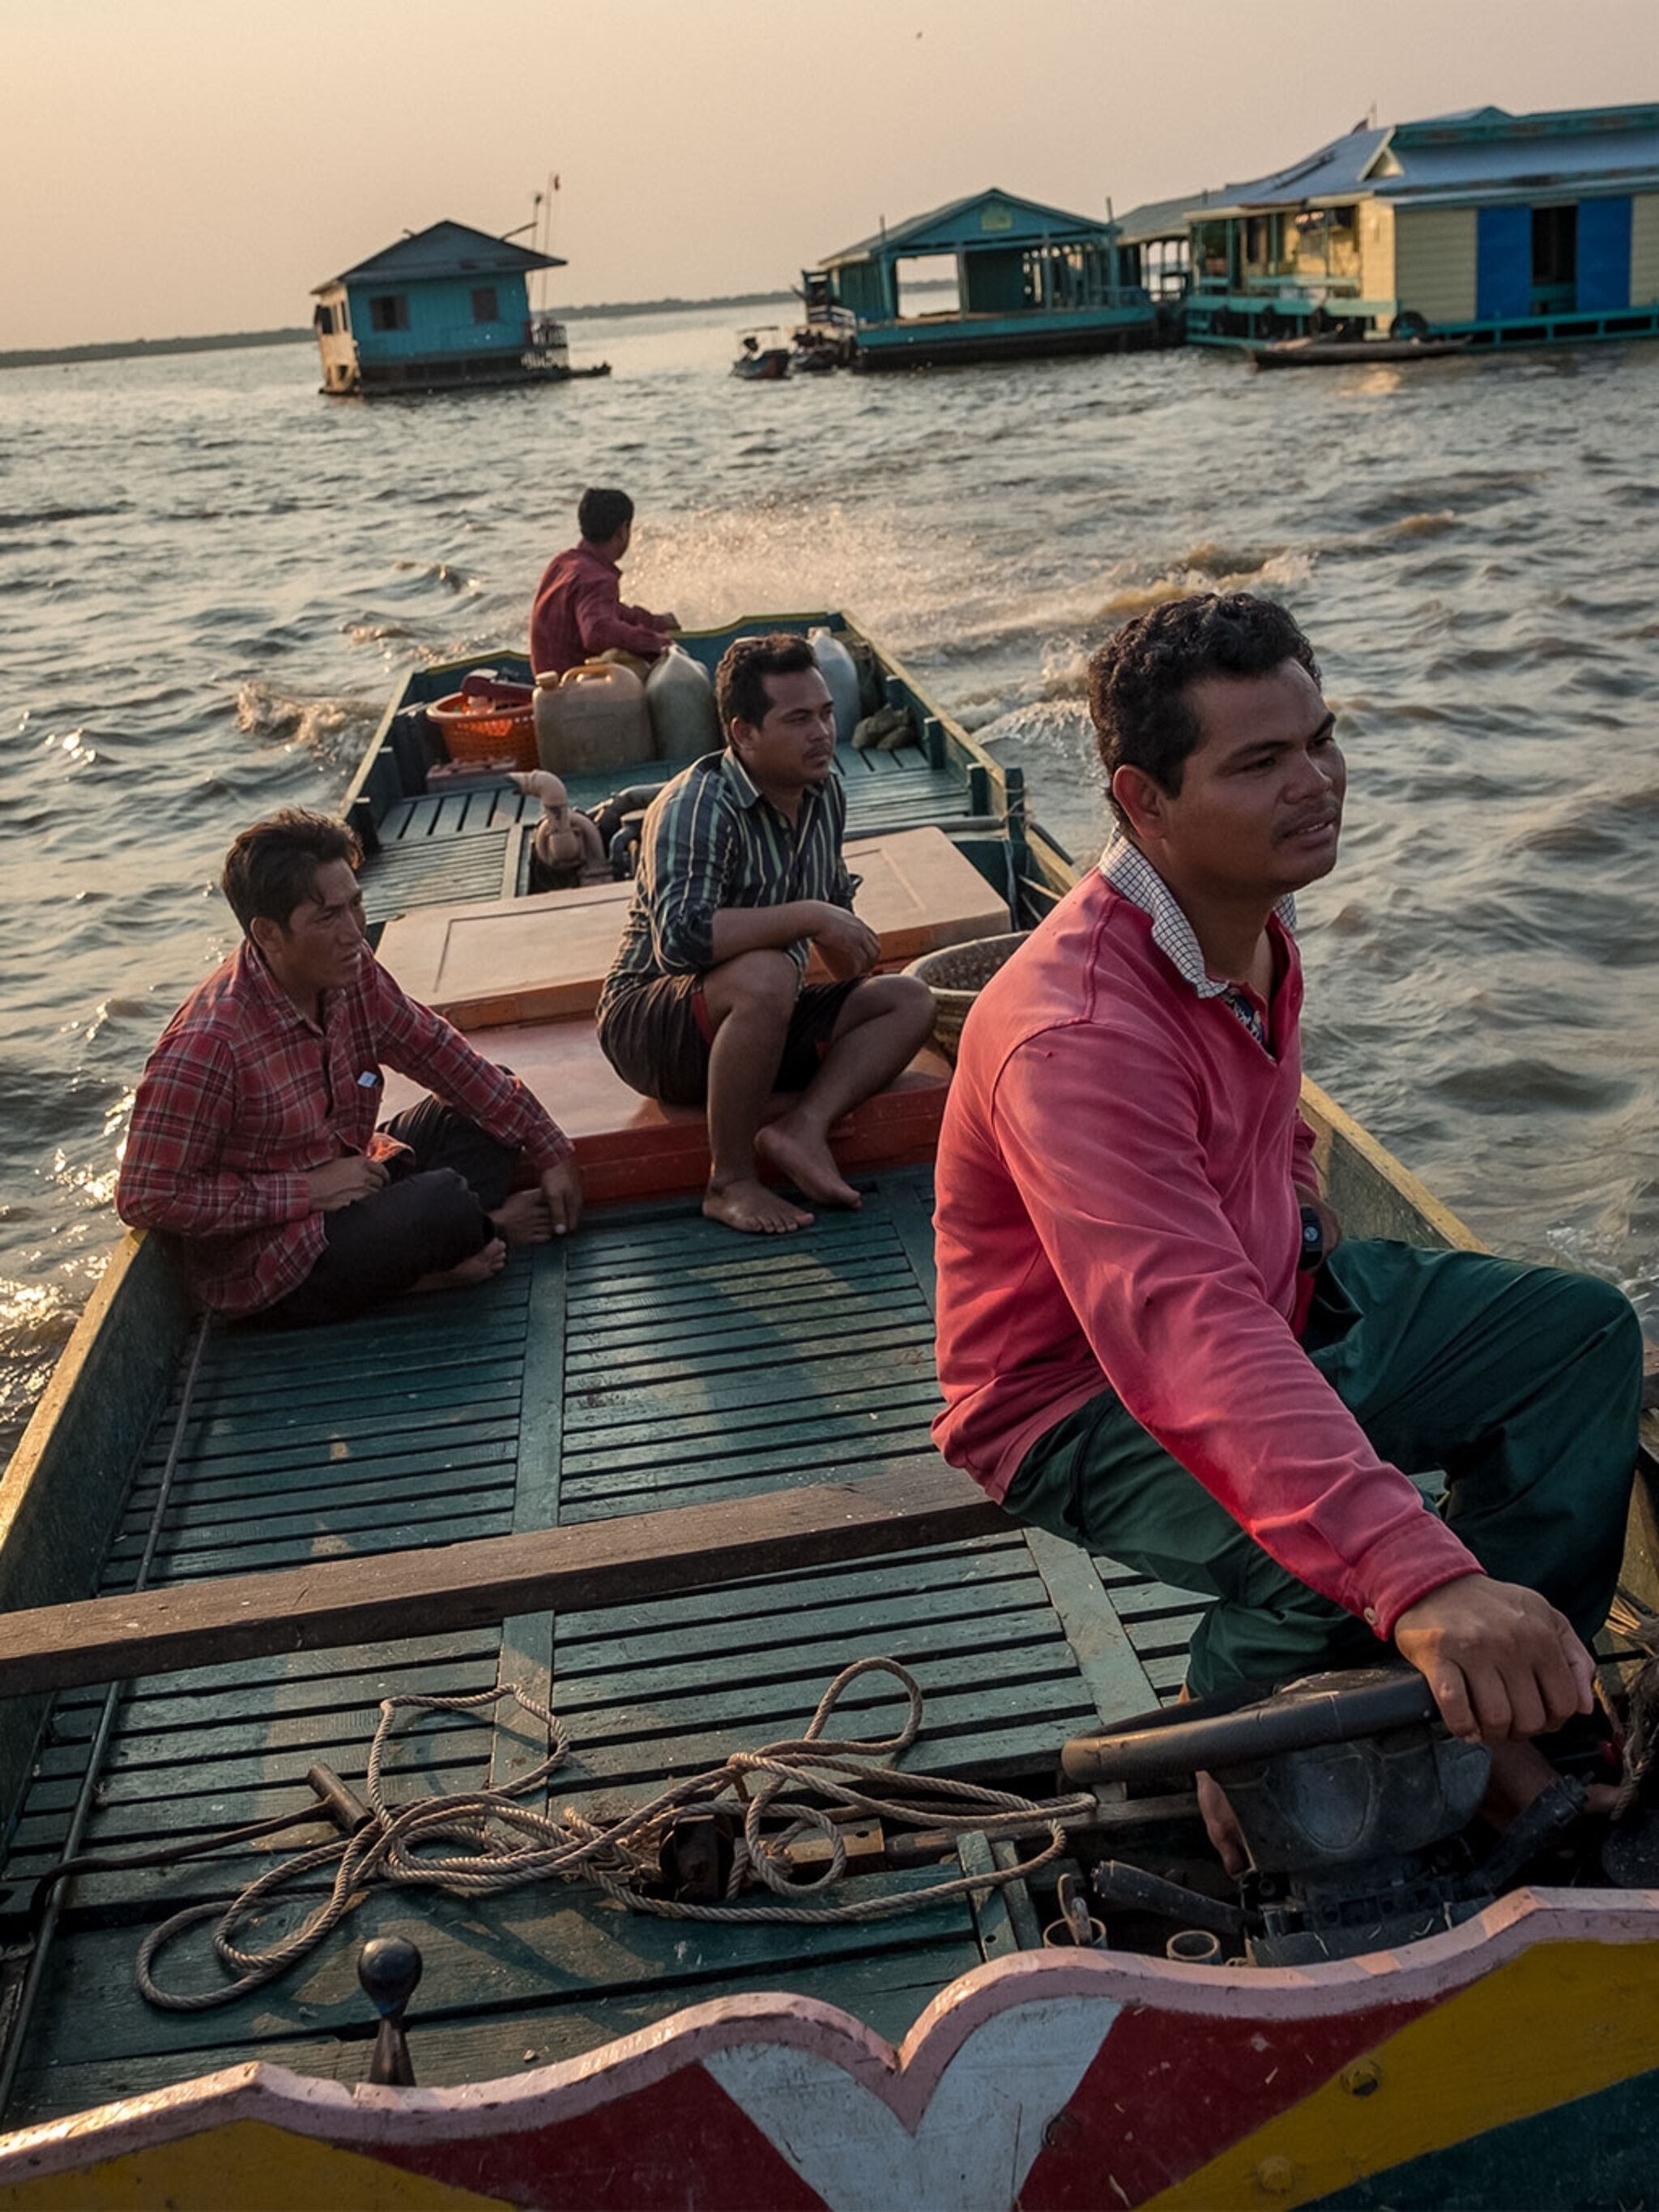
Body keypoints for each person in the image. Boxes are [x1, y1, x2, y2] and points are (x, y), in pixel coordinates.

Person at [932, 592, 1641, 1861]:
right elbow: (1180, 1335)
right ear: (1143, 800)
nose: (1315, 783)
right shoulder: (1077, 1032)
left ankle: (1498, 1687)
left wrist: (1303, 1210)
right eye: (1259, 762)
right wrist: (1413, 1573)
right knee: (1317, 1567)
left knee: (1579, 1338)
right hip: (1079, 1395)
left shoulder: (1246, 898)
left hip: (1276, 1290)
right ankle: (1255, 1737)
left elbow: (1275, 1113)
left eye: (1320, 738)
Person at [117, 810, 583, 1326]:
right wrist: (309, 1190)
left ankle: (453, 1241)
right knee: (442, 1201)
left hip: (352, 1174)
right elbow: (148, 1196)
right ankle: (471, 1240)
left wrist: (549, 1145)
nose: (353, 932)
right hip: (275, 1260)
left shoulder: (351, 971)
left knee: (484, 1115)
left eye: (355, 905)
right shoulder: (208, 1045)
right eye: (327, 918)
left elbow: (439, 1054)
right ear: (268, 934)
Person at [595, 632, 937, 1236]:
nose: (823, 734)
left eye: (828, 714)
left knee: (909, 999)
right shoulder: (699, 806)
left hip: (760, 1011)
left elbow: (838, 952)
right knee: (769, 972)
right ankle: (728, 1181)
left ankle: (803, 1128)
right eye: (798, 719)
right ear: (743, 733)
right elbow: (681, 939)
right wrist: (810, 916)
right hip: (651, 1026)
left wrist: (847, 941)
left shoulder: (825, 792)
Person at [530, 488, 679, 678]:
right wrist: (658, 643)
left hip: (548, 677)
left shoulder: (562, 563)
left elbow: (608, 611)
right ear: (622, 531)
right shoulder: (598, 578)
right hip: (573, 689)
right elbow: (597, 632)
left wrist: (653, 623)